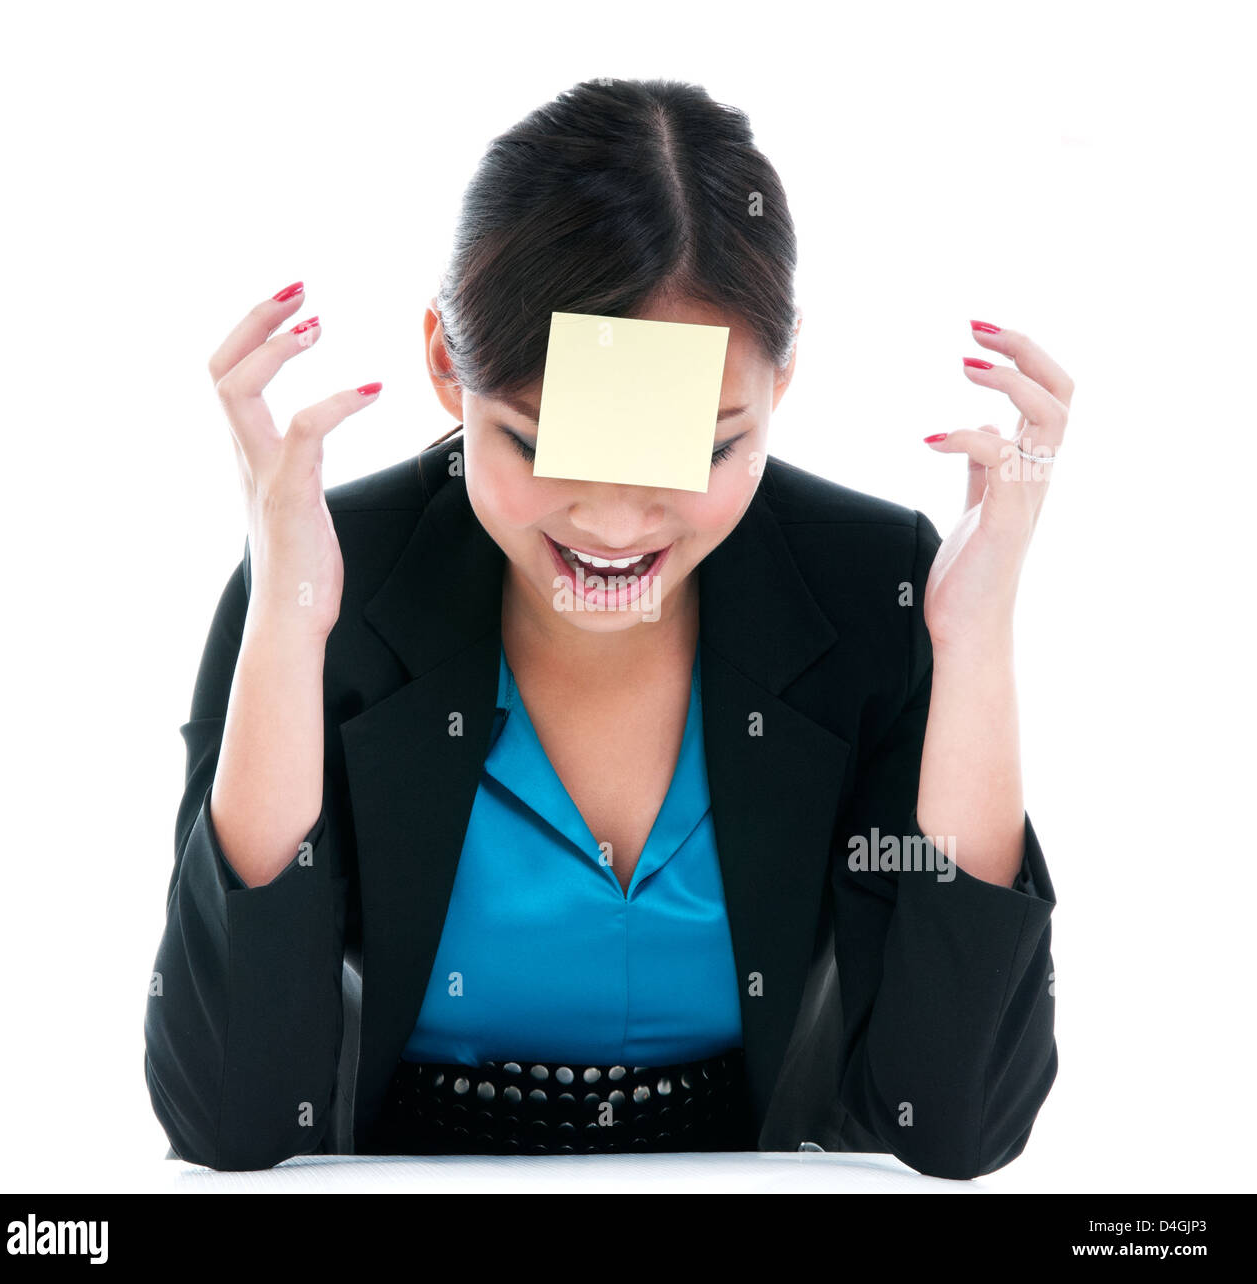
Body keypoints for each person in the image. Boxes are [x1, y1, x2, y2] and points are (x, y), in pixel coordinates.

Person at [145, 77, 1065, 1177]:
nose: (616, 525)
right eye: (542, 443)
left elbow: (953, 1129)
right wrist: (286, 632)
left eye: (704, 447)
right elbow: (231, 1124)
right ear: (447, 362)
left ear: (784, 377)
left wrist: (975, 650)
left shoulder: (875, 587)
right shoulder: (326, 573)